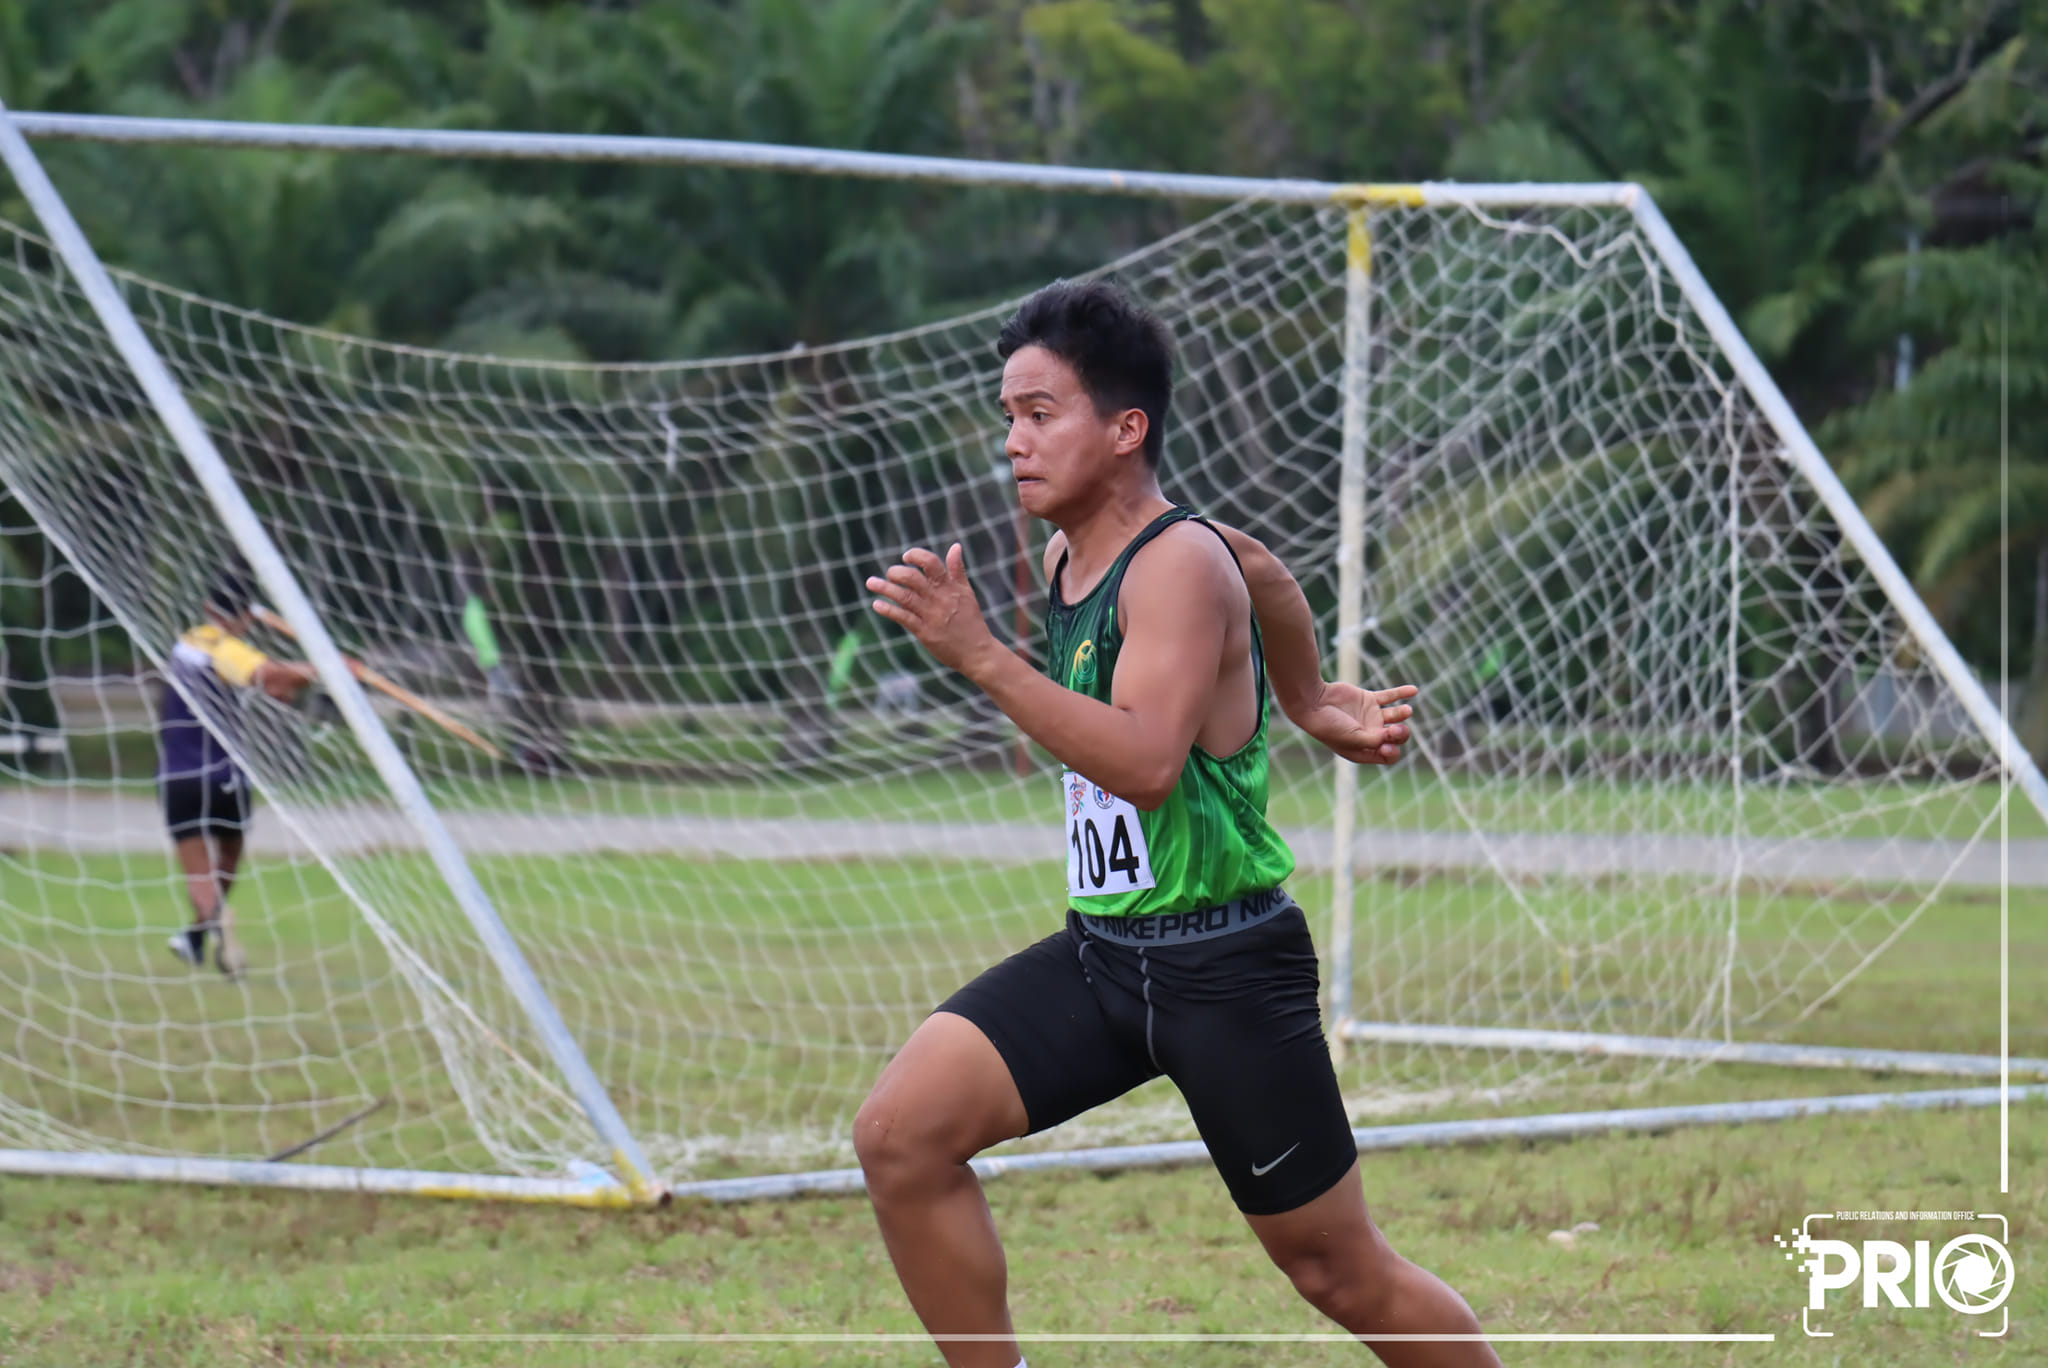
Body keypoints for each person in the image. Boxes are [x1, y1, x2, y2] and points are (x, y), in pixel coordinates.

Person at [860, 279, 1501, 1368]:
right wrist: (1308, 698)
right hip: (1105, 955)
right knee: (899, 1136)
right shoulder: (1077, 554)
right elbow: (1265, 569)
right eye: (1007, 415)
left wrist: (979, 656)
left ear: (1125, 430)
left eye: (1039, 414)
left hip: (1225, 971)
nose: (1013, 441)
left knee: (1338, 1274)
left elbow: (1149, 766)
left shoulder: (1176, 565)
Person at [158, 568, 319, 977]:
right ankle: (202, 932)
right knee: (228, 858)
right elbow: (270, 677)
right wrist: (326, 667)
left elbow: (275, 686)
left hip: (179, 778)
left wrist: (295, 677)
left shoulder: (187, 643)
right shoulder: (230, 650)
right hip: (228, 777)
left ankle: (207, 927)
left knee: (199, 872)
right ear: (247, 617)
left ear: (207, 606)